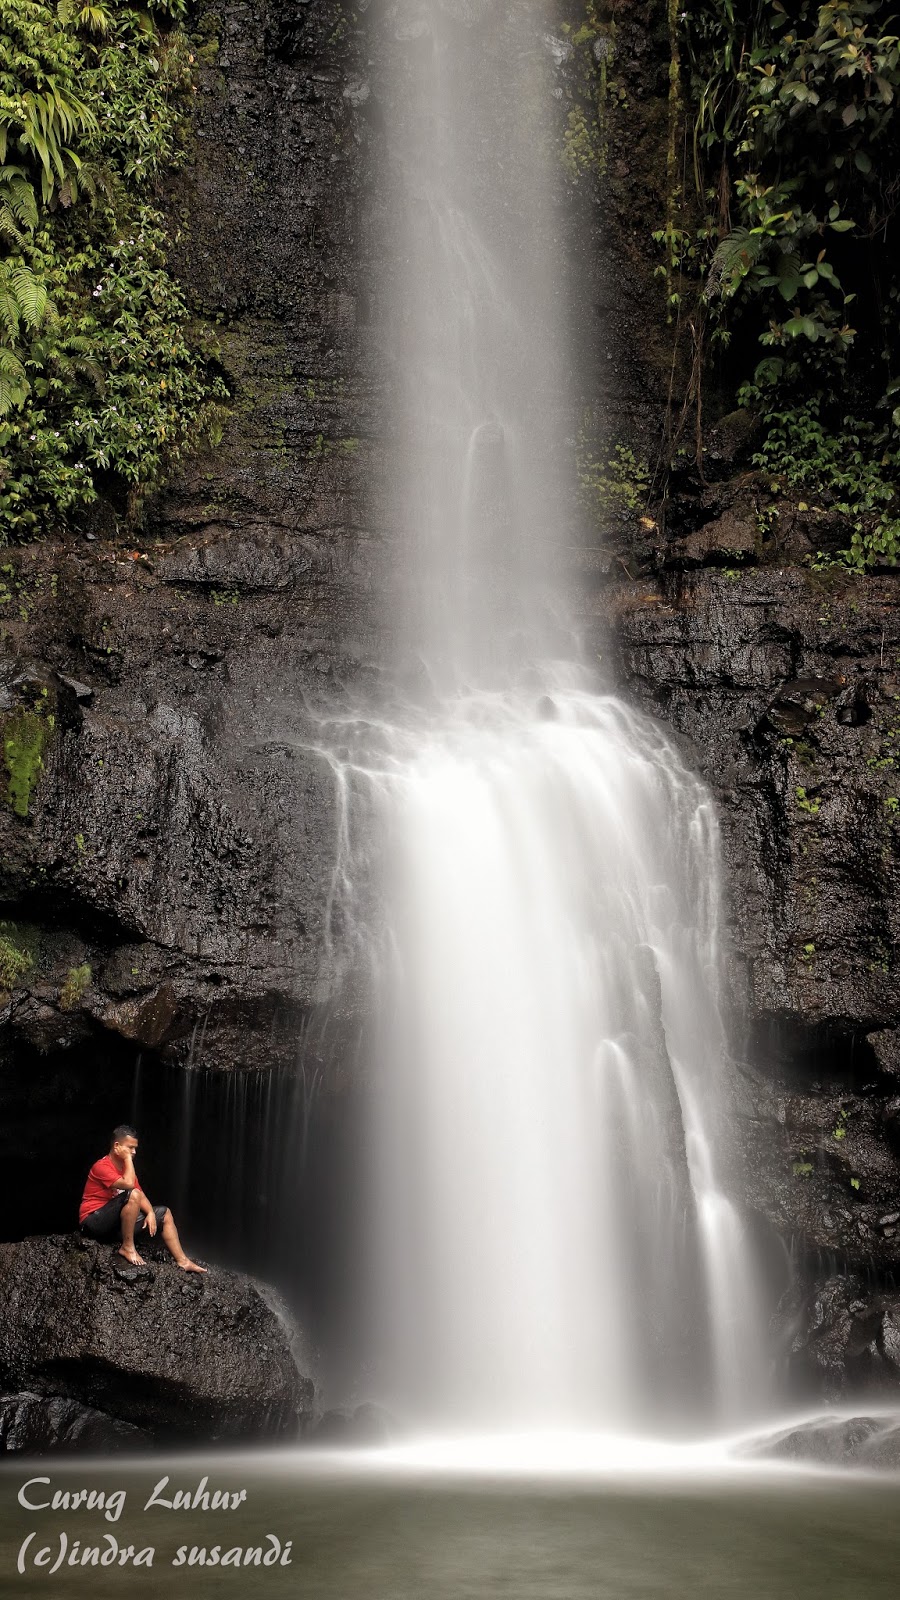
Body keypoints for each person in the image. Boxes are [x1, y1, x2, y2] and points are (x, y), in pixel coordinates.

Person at [79, 1124, 207, 1273]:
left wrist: (151, 1213)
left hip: (114, 1227)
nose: (134, 1152)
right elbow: (129, 1186)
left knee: (164, 1213)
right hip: (93, 1222)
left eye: (135, 1148)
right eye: (130, 1148)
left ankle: (183, 1261)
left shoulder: (127, 1170)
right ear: (117, 1146)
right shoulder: (101, 1166)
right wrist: (127, 1158)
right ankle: (127, 1247)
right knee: (132, 1194)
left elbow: (140, 1193)